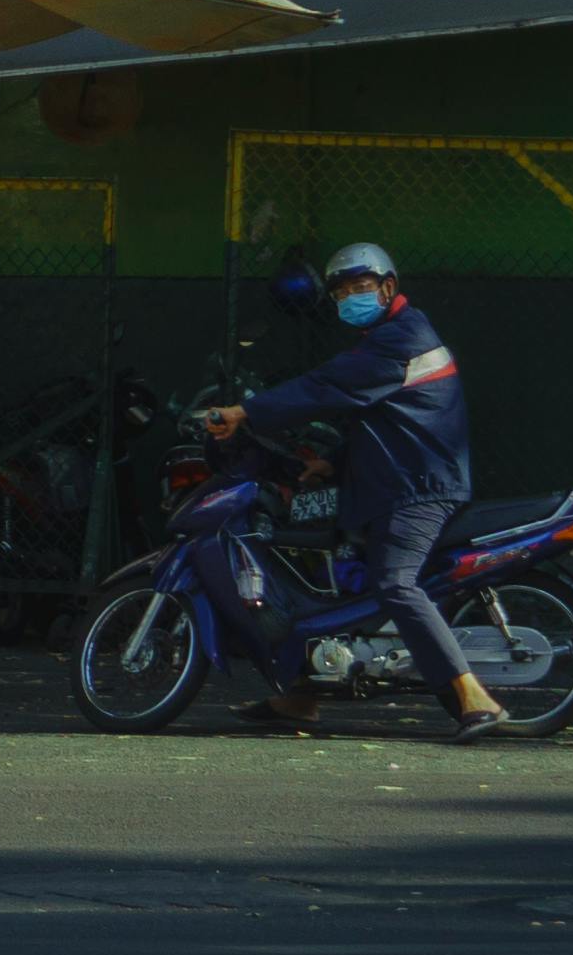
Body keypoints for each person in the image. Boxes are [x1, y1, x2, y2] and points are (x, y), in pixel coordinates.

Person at [202, 239, 496, 742]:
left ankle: (475, 697)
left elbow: (323, 387)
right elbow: (389, 420)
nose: (349, 299)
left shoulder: (402, 336)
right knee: (339, 585)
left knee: (395, 583)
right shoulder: (384, 340)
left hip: (420, 488)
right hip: (392, 482)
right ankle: (302, 696)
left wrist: (246, 412)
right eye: (340, 293)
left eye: (360, 288)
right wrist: (328, 465)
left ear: (388, 287)